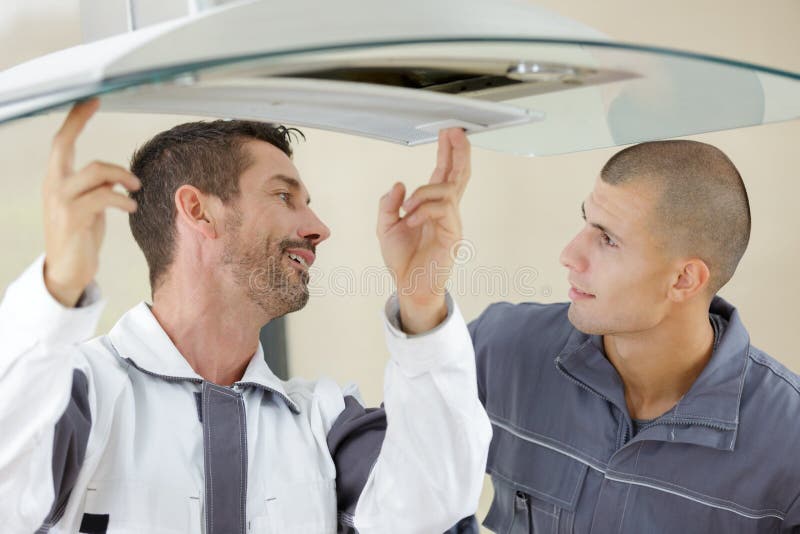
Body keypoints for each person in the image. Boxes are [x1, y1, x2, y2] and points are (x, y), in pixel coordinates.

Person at [0, 99, 491, 533]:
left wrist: (422, 301)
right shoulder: (80, 395)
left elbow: (429, 510)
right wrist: (56, 289)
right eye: (284, 196)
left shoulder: (324, 419)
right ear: (199, 211)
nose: (319, 228)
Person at [468, 140, 800, 532]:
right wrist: (421, 313)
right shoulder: (502, 347)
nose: (569, 255)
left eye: (608, 239)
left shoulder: (789, 442)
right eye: (586, 222)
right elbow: (408, 485)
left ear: (684, 279)